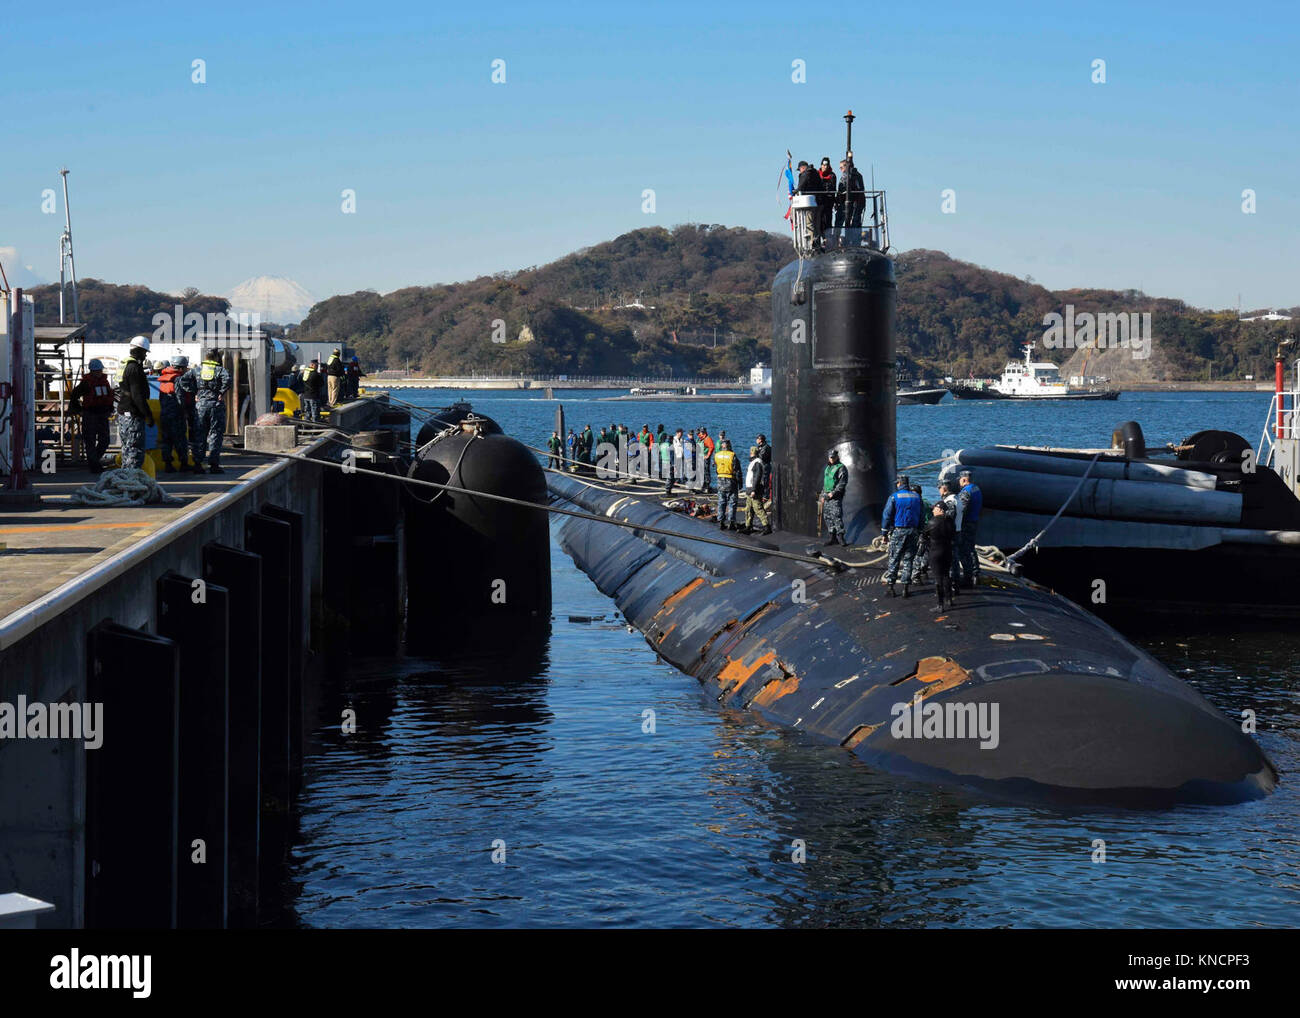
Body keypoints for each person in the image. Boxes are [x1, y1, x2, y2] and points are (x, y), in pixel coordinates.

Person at [68, 357, 114, 473]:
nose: (99, 372)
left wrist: (110, 408)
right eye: (97, 370)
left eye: (100, 370)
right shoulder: (86, 383)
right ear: (92, 371)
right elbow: (74, 395)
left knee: (105, 440)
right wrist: (79, 409)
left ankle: (94, 461)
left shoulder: (105, 381)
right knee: (90, 440)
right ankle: (94, 465)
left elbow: (109, 396)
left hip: (103, 414)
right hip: (90, 415)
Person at [115, 336, 154, 470]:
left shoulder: (124, 365)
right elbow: (137, 395)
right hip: (133, 416)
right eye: (144, 352)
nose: (145, 356)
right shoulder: (134, 368)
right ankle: (131, 482)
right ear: (138, 351)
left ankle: (125, 480)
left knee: (127, 451)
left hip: (123, 414)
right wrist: (147, 415)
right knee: (134, 453)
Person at [881, 475, 923, 597]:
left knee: (894, 558)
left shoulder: (894, 497)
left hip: (899, 531)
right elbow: (921, 516)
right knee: (908, 560)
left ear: (899, 483)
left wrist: (884, 533)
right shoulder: (917, 497)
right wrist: (920, 531)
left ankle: (891, 587)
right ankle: (905, 588)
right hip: (913, 532)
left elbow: (887, 515)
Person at [192, 347, 232, 474]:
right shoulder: (220, 370)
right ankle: (213, 465)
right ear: (215, 358)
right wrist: (221, 392)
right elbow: (228, 379)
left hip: (201, 406)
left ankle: (198, 464)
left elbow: (183, 381)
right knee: (215, 434)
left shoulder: (197, 370)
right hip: (215, 406)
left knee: (200, 434)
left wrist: (194, 392)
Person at [156, 358, 189, 473]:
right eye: (185, 367)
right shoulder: (178, 379)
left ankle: (168, 464)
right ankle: (184, 463)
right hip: (176, 415)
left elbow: (160, 398)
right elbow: (180, 398)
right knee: (180, 439)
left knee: (167, 440)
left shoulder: (164, 379)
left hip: (165, 414)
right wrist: (184, 412)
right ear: (180, 368)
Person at [954, 469, 983, 588]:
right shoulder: (976, 488)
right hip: (974, 521)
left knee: (964, 550)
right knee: (971, 548)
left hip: (966, 523)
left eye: (960, 480)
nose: (959, 482)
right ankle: (976, 574)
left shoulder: (966, 491)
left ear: (964, 479)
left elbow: (961, 509)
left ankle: (968, 576)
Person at [927, 503, 957, 611]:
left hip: (935, 552)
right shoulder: (951, 522)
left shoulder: (932, 522)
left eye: (934, 509)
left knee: (938, 578)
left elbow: (924, 534)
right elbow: (954, 535)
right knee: (946, 575)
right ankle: (949, 599)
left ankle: (940, 605)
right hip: (947, 551)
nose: (932, 511)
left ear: (939, 510)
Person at [834, 158, 866, 245]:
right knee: (848, 222)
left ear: (846, 166)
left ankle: (851, 241)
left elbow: (858, 190)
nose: (841, 170)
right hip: (848, 202)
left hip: (853, 203)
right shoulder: (856, 175)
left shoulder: (854, 176)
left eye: (841, 167)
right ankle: (848, 241)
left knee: (850, 222)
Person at [819, 449, 848, 545]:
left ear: (837, 457)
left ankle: (841, 537)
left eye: (833, 457)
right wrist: (823, 496)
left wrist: (833, 493)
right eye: (830, 457)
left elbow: (842, 483)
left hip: (835, 497)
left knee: (836, 516)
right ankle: (832, 537)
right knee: (827, 516)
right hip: (826, 496)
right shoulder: (828, 468)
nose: (832, 459)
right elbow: (826, 484)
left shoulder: (841, 468)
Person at [741, 445, 772, 535]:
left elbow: (757, 477)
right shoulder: (754, 462)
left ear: (752, 453)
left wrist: (754, 490)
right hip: (749, 488)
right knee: (749, 509)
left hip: (754, 489)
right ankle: (748, 526)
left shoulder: (757, 463)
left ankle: (767, 526)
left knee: (758, 508)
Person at [714, 439, 739, 530]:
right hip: (730, 480)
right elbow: (737, 470)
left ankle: (720, 520)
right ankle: (731, 522)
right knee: (732, 502)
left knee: (721, 501)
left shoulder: (717, 455)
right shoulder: (732, 455)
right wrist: (740, 483)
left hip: (720, 480)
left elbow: (716, 467)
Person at [816, 157, 837, 248]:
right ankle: (820, 239)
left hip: (828, 202)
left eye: (826, 165)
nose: (825, 167)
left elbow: (832, 187)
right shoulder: (817, 174)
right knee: (819, 221)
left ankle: (827, 240)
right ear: (821, 165)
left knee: (828, 221)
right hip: (820, 202)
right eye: (823, 165)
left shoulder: (832, 175)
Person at [755, 433, 773, 500]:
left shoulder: (766, 447)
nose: (756, 440)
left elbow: (761, 457)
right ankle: (762, 494)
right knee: (760, 480)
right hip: (762, 466)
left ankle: (766, 496)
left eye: (757, 439)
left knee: (765, 481)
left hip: (765, 466)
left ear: (760, 440)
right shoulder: (760, 447)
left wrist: (756, 453)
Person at [698, 426, 715, 493]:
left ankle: (707, 486)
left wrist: (708, 455)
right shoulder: (701, 438)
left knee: (706, 472)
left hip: (705, 458)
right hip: (701, 457)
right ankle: (703, 485)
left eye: (702, 432)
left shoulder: (707, 439)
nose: (701, 433)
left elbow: (712, 447)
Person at [660, 429, 675, 494]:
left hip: (663, 461)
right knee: (670, 477)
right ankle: (668, 491)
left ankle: (667, 488)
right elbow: (672, 457)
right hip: (668, 462)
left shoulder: (662, 445)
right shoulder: (670, 446)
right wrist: (674, 465)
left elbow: (659, 453)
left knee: (667, 476)